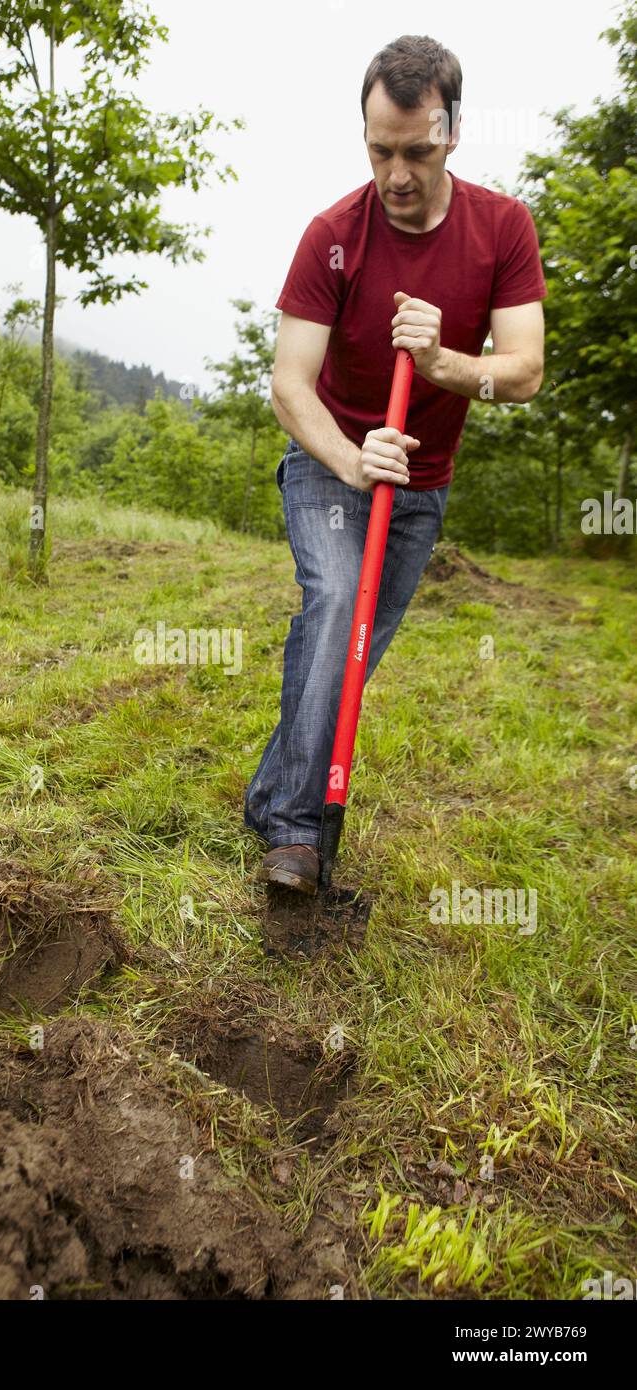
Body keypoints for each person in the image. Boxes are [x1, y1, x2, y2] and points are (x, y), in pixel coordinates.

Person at [244, 33, 546, 894]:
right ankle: (298, 839)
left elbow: (522, 371)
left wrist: (447, 362)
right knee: (338, 606)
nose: (397, 173)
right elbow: (288, 385)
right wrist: (349, 457)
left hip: (423, 481)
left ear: (452, 130)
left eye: (416, 150)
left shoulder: (502, 228)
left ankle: (271, 796)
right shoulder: (333, 236)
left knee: (350, 651)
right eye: (380, 150)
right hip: (331, 462)